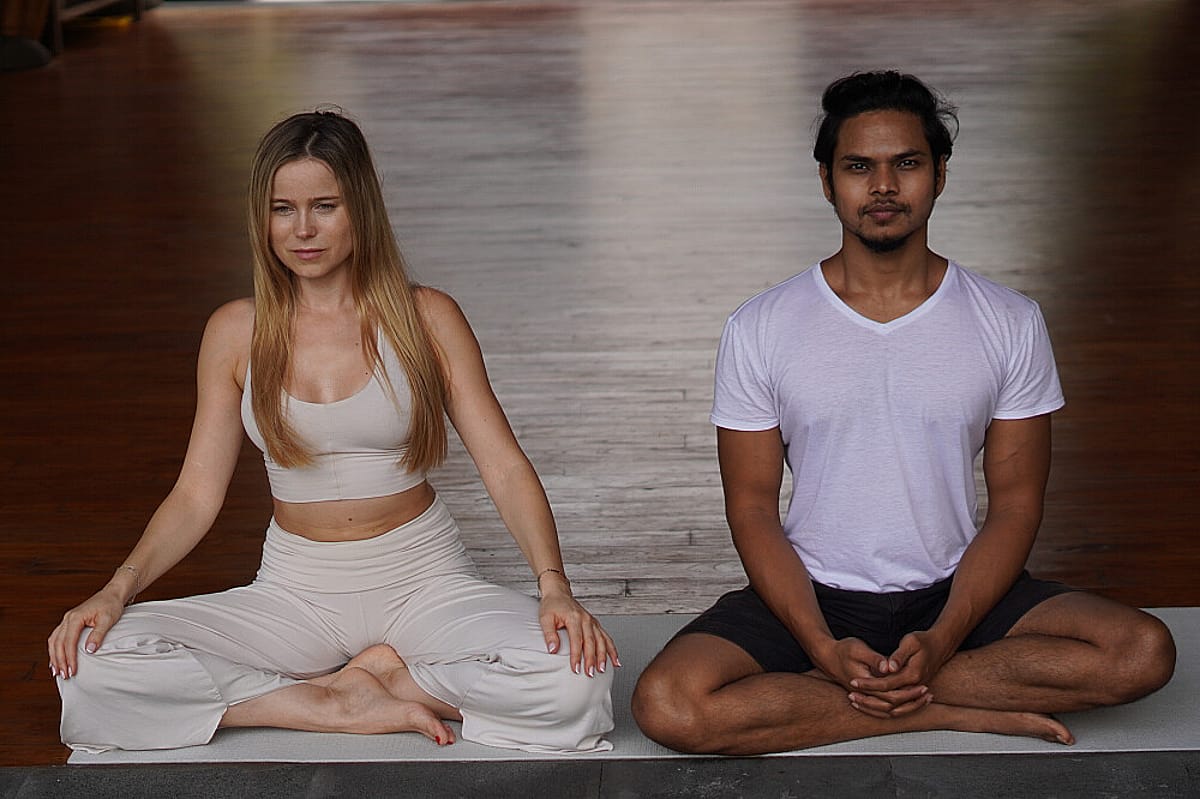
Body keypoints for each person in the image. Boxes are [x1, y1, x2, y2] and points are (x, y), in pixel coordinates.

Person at [631, 71, 1176, 755]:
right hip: (815, 594)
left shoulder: (1008, 320)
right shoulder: (761, 326)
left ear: (939, 175)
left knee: (1141, 651)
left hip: (959, 590)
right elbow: (752, 508)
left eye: (906, 163)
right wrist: (822, 645)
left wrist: (945, 638)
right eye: (859, 166)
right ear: (828, 181)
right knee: (668, 702)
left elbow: (1014, 505)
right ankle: (953, 709)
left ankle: (854, 699)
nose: (883, 186)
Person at [47, 109, 617, 754]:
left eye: (325, 205)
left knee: (577, 674)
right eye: (282, 209)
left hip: (423, 577)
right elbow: (195, 495)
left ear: (361, 208)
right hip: (297, 589)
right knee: (94, 656)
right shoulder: (236, 331)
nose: (303, 230)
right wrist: (117, 587)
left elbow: (505, 467)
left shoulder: (426, 317)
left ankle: (390, 679)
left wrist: (554, 587)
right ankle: (329, 704)